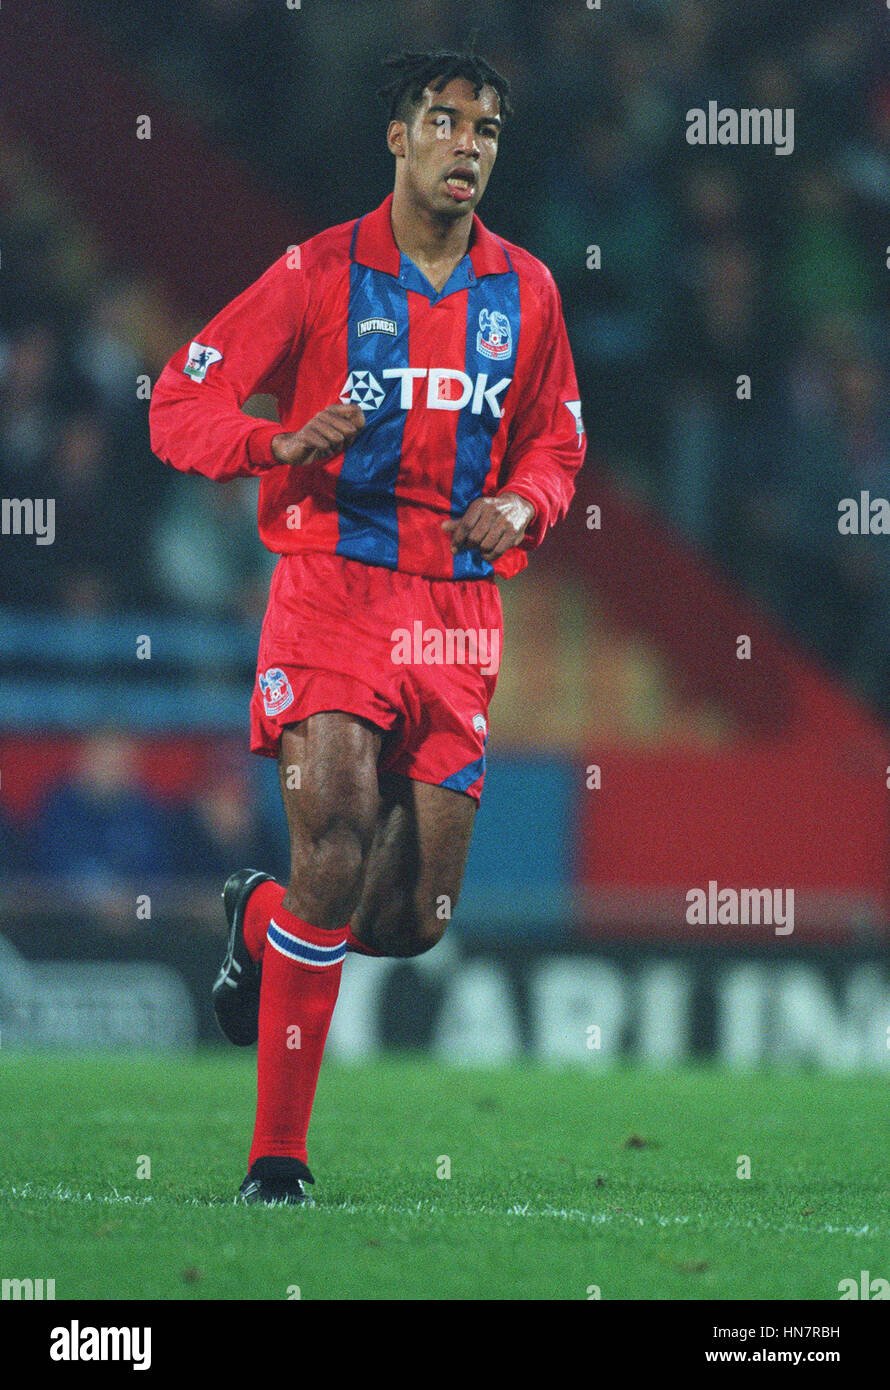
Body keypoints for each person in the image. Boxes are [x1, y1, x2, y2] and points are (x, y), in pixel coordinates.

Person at [149, 48, 586, 1205]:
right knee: (334, 838)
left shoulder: (528, 291)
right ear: (396, 139)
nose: (466, 147)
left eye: (484, 130)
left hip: (454, 614)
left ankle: (254, 914)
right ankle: (277, 1161)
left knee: (407, 920)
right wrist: (276, 443)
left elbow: (556, 441)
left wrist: (524, 502)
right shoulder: (312, 274)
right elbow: (177, 400)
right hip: (333, 584)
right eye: (442, 123)